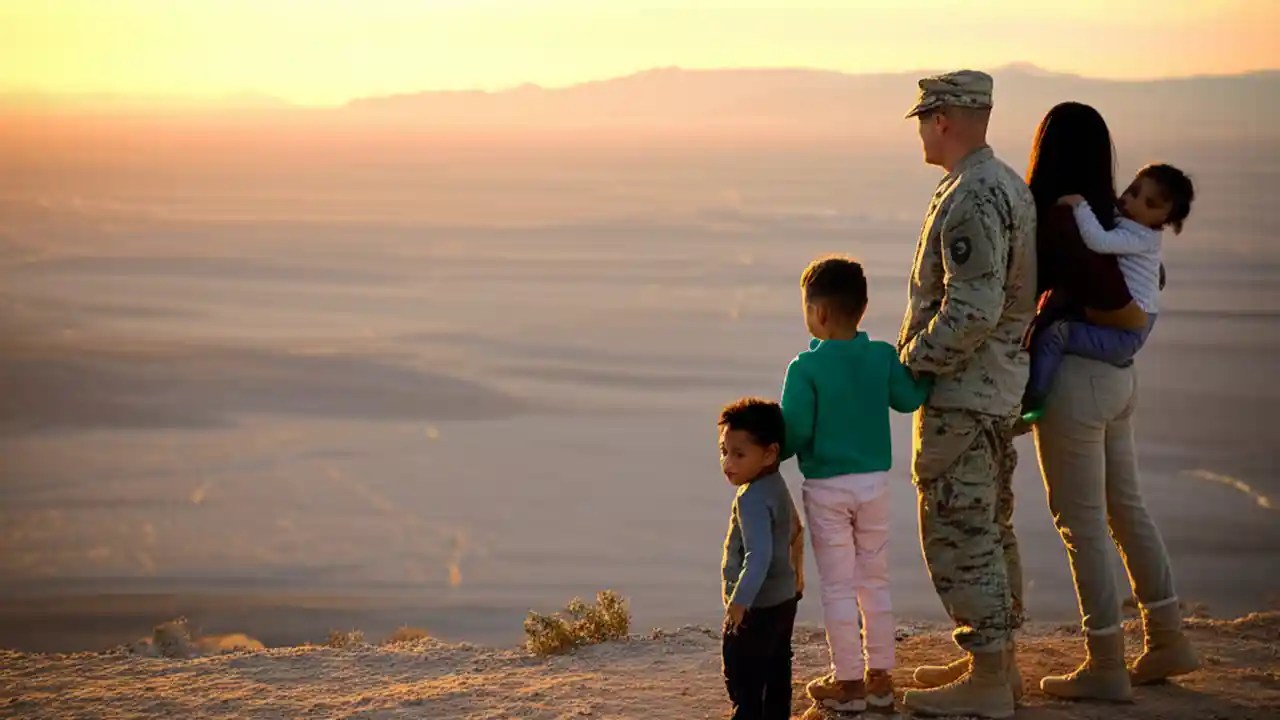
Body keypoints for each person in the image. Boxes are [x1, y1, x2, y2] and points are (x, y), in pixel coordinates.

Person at [1024, 102, 1199, 702]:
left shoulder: (1067, 221)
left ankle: (1104, 663)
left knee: (1082, 523)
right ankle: (1167, 635)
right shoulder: (1119, 224)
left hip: (1079, 380)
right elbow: (1144, 297)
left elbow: (1114, 301)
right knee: (1126, 509)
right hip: (1119, 378)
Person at [895, 70, 1037, 719]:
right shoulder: (1002, 183)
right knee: (989, 522)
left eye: (925, 118)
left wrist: (913, 362)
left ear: (942, 119)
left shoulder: (973, 194)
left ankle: (985, 679)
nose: (922, 129)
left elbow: (974, 307)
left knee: (959, 527)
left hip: (963, 392)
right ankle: (995, 665)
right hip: (995, 390)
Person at [778, 256, 932, 714]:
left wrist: (764, 455)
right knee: (874, 580)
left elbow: (796, 433)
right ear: (861, 309)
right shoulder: (881, 356)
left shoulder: (805, 369)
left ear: (819, 313)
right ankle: (880, 679)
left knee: (839, 587)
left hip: (827, 490)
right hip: (874, 486)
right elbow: (909, 399)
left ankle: (848, 682)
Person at [1021, 163, 1196, 418]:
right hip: (1132, 321)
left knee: (1056, 334)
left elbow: (1099, 241)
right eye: (1133, 191)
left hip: (1128, 332)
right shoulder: (1135, 225)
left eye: (1149, 203)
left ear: (1163, 220)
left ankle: (1033, 401)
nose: (1131, 201)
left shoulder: (1139, 237)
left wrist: (1079, 205)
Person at [718, 397, 805, 720]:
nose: (728, 463)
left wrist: (739, 602)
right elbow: (796, 532)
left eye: (739, 454)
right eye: (724, 452)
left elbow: (759, 556)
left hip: (757, 605)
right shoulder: (775, 485)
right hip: (784, 599)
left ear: (769, 453)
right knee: (777, 671)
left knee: (743, 677)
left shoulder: (752, 498)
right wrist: (797, 581)